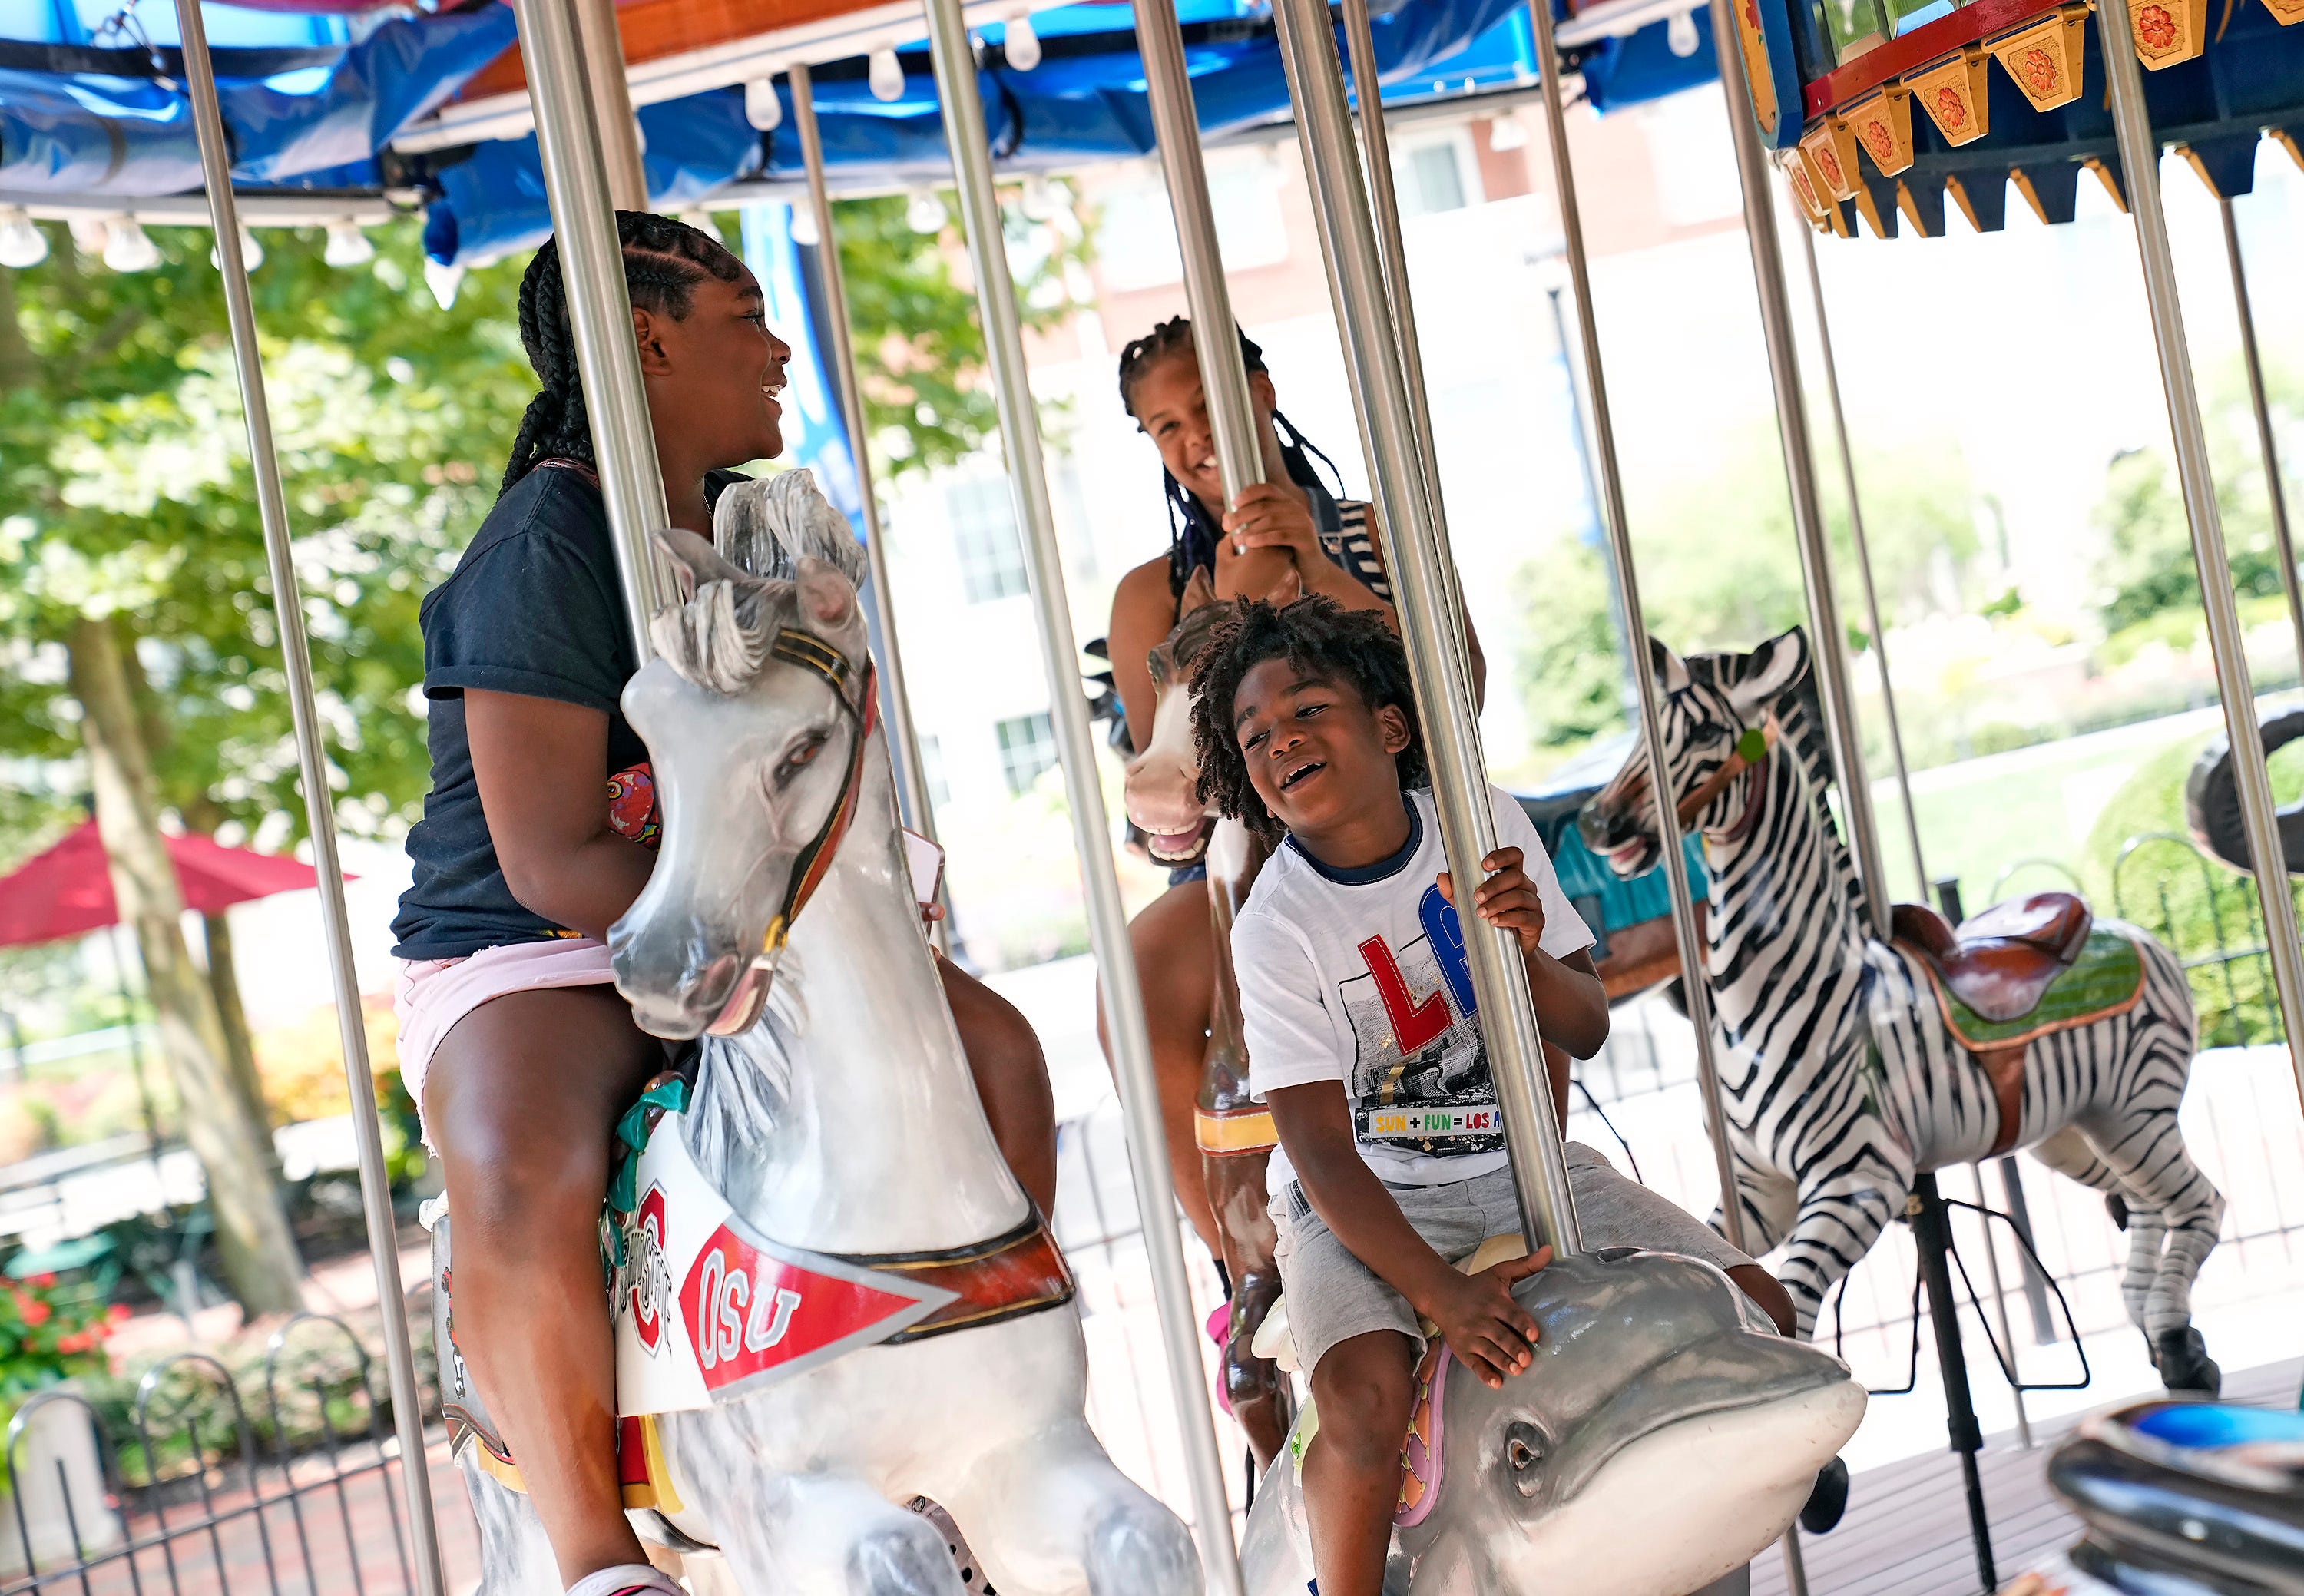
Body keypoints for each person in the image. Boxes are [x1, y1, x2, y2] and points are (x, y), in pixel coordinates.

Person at [389, 213, 1056, 1596]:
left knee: (992, 1049)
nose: (776, 345)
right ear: (647, 342)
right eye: (744, 315)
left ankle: (990, 1400)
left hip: (739, 913)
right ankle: (595, 1552)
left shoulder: (741, 530)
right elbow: (548, 852)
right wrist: (751, 930)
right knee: (530, 1167)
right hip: (536, 950)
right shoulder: (549, 540)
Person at [1188, 595, 1797, 1596]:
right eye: (1256, 735)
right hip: (1365, 1202)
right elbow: (1316, 1143)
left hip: (1522, 1166)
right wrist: (1441, 1294)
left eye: (1305, 710)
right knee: (1364, 1393)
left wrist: (1524, 951)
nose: (1280, 740)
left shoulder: (1485, 824)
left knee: (1758, 1301)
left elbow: (1587, 1023)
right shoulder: (1276, 922)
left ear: (1389, 724)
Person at [1099, 316, 1484, 1257]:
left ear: (1260, 389)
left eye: (1207, 408)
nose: (1194, 439)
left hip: (1391, 831)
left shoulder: (1373, 533)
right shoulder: (1157, 590)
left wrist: (1314, 561)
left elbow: (1460, 690)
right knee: (1137, 974)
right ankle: (1234, 1267)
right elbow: (1160, 770)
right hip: (1247, 854)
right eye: (1165, 426)